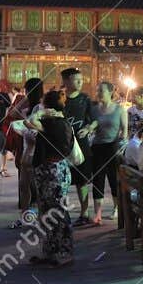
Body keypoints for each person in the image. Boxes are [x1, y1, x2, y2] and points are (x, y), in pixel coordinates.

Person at [25, 90, 77, 266]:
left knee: (56, 212)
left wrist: (39, 113)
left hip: (53, 171)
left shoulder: (54, 123)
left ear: (46, 105)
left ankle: (64, 252)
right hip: (51, 170)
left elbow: (28, 122)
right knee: (48, 211)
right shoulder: (59, 122)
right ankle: (51, 251)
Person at [86, 81, 126, 226]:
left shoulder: (120, 110)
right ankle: (98, 213)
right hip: (97, 147)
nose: (99, 93)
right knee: (98, 180)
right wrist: (88, 129)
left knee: (114, 180)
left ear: (111, 92)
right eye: (97, 91)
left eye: (101, 91)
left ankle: (116, 208)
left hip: (113, 147)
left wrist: (122, 147)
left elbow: (124, 132)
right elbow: (91, 125)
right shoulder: (94, 109)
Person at [59, 68, 94, 223]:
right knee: (62, 181)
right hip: (62, 146)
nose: (80, 82)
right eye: (76, 79)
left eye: (81, 79)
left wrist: (88, 128)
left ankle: (84, 213)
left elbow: (94, 119)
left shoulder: (85, 99)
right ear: (66, 81)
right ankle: (62, 213)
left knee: (82, 180)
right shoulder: (59, 99)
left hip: (81, 145)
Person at [11, 78, 44, 230]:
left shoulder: (39, 107)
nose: (25, 93)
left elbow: (37, 128)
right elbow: (12, 113)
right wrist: (24, 99)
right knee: (24, 186)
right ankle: (25, 216)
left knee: (35, 186)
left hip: (35, 150)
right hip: (26, 148)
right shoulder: (29, 105)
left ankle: (38, 216)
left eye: (27, 90)